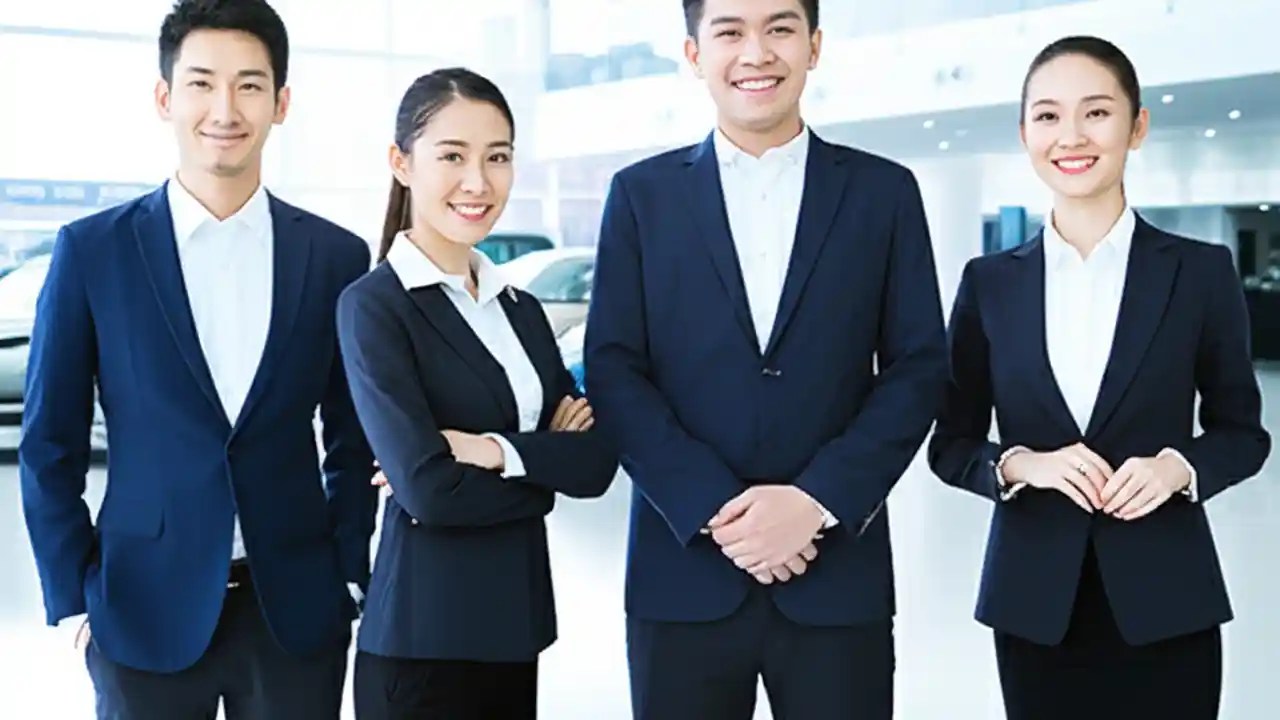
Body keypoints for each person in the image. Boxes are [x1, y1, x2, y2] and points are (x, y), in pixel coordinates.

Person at [584, 0, 947, 717]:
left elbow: (917, 367)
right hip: (681, 574)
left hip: (835, 575)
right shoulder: (640, 196)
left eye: (780, 28)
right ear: (693, 55)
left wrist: (815, 502)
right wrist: (719, 510)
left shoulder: (884, 192)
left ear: (814, 46)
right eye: (729, 32)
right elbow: (614, 368)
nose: (757, 52)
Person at [18, 1, 377, 718]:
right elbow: (48, 444)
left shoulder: (334, 256)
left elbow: (351, 437)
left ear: (281, 103)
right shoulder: (94, 252)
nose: (225, 108)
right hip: (138, 614)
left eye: (249, 85)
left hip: (294, 617)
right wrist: (75, 603)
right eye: (201, 82)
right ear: (164, 97)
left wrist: (349, 574)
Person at [927, 35, 1271, 720]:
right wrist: (1022, 464)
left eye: (1097, 112)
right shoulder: (988, 284)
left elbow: (1242, 434)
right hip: (1033, 602)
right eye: (1049, 116)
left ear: (1136, 126)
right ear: (1025, 133)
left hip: (1168, 596)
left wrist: (1178, 467)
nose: (1071, 136)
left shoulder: (1199, 273)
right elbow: (952, 444)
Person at [336, 67, 618, 720]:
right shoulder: (376, 307)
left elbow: (598, 463)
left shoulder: (516, 308)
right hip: (422, 644)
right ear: (401, 163)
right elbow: (429, 492)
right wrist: (544, 461)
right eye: (453, 156)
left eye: (498, 158)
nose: (478, 182)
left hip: (514, 634)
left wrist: (493, 452)